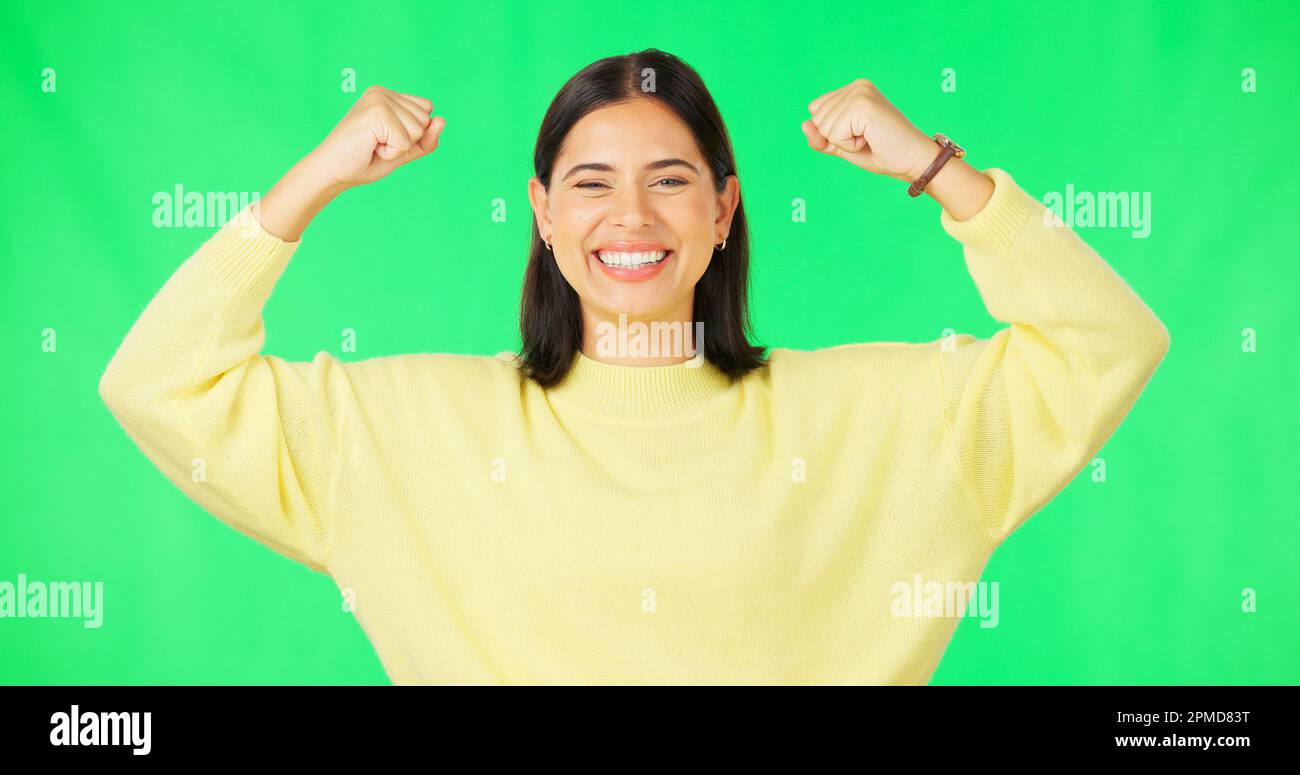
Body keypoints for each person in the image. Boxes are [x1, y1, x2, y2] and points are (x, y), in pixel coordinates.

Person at [98, 49, 1169, 684]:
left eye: (669, 180)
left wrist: (939, 170)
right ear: (543, 215)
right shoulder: (413, 425)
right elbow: (158, 382)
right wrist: (314, 178)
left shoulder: (876, 413)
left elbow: (1107, 345)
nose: (630, 217)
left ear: (722, 212)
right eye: (591, 183)